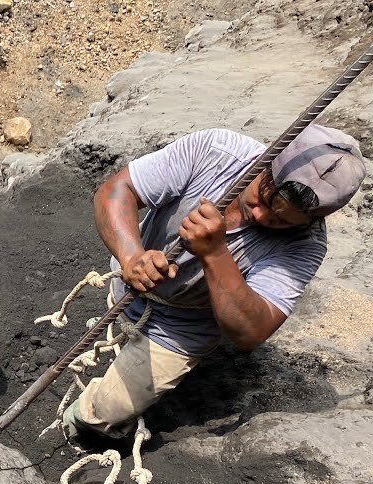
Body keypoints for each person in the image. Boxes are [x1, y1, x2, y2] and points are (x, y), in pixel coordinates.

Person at [63, 124, 366, 441]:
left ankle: (80, 424)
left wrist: (215, 253)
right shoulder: (215, 150)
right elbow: (117, 190)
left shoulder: (305, 245)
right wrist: (132, 258)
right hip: (129, 284)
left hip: (185, 324)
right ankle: (127, 332)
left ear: (313, 219)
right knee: (122, 322)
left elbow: (250, 332)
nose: (261, 216)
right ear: (266, 161)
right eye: (263, 195)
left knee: (104, 414)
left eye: (281, 220)